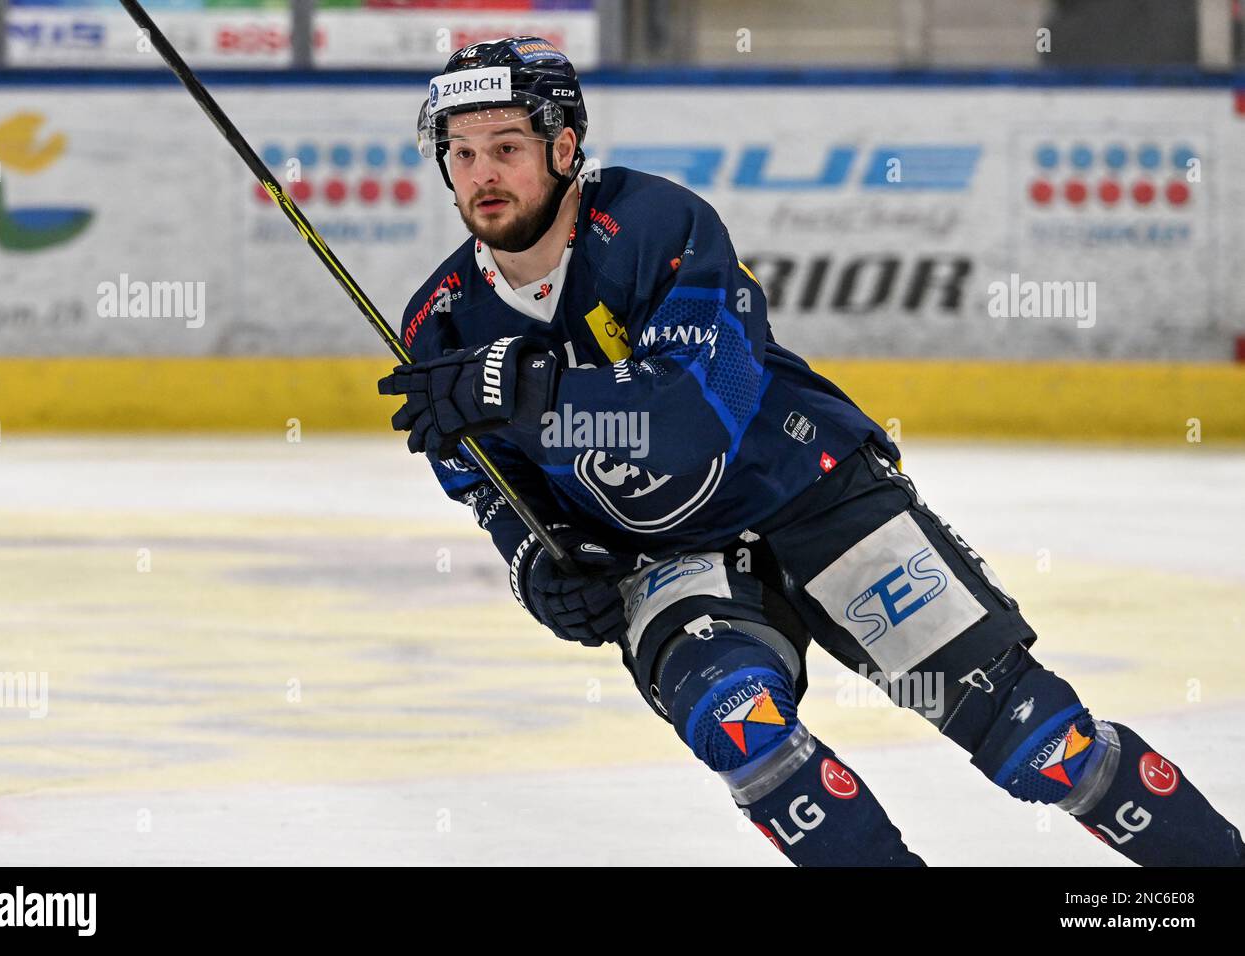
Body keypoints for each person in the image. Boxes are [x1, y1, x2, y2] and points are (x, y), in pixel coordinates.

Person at [378, 36, 1242, 866]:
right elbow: (490, 486)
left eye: (507, 145)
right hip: (675, 556)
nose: (482, 174)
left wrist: (530, 391)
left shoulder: (655, 223)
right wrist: (538, 562)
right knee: (739, 724)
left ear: (564, 146)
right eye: (460, 153)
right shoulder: (440, 323)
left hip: (816, 495)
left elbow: (698, 417)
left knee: (1044, 747)